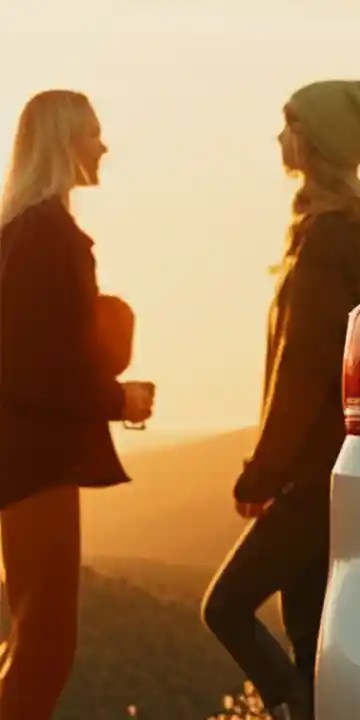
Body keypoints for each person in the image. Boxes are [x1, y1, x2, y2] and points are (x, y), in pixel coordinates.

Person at [202, 79, 360, 720]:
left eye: (289, 125)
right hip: (332, 467)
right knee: (309, 633)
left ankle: (295, 707)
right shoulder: (346, 231)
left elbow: (302, 371)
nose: (279, 137)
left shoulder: (326, 240)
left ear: (312, 141)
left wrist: (263, 470)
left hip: (311, 474)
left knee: (227, 606)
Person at [0, 89, 156, 720]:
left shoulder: (23, 232)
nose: (103, 145)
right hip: (37, 461)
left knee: (33, 638)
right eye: (93, 133)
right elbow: (32, 365)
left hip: (25, 459)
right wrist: (119, 397)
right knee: (45, 647)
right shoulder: (45, 236)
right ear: (65, 142)